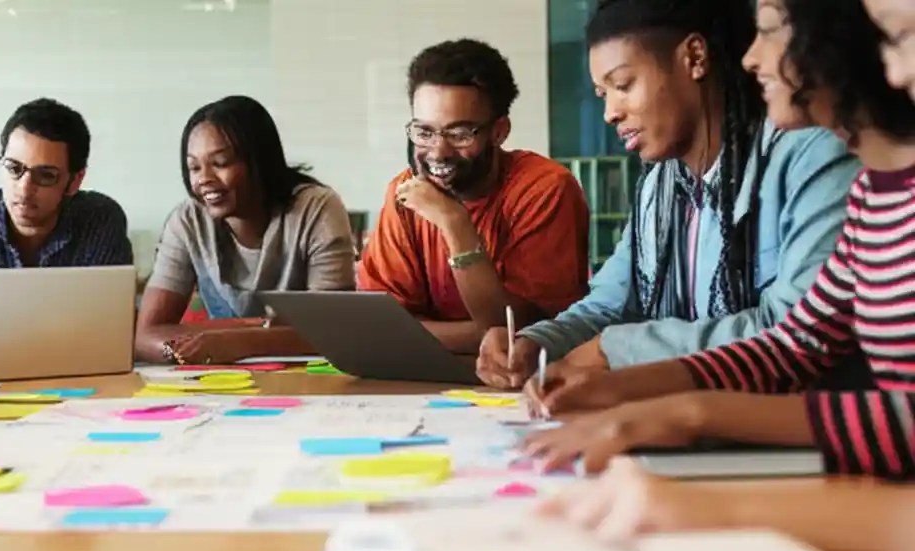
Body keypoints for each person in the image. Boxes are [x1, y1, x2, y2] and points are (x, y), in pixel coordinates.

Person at [524, 0, 915, 482]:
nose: (750, 59)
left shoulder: (824, 162)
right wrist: (628, 389)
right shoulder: (873, 196)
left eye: (770, 30)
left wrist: (685, 412)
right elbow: (792, 346)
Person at [476, 0, 859, 390]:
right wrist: (535, 343)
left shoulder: (809, 155)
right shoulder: (658, 185)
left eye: (623, 85)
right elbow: (609, 305)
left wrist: (617, 351)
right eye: (601, 93)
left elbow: (791, 332)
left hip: (797, 431)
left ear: (694, 57)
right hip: (696, 426)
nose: (610, 112)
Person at [358, 39, 592, 354]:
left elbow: (517, 331)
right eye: (424, 132)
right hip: (419, 375)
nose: (438, 152)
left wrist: (454, 222)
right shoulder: (405, 194)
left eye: (459, 134)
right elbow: (379, 326)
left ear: (499, 131)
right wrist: (479, 335)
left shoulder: (545, 189)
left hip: (525, 378)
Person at [135, 96, 356, 364]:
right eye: (194, 167)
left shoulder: (316, 208)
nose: (204, 179)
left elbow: (335, 332)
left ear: (259, 160)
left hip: (309, 378)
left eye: (221, 163)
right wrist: (180, 352)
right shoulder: (188, 221)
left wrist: (238, 341)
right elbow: (144, 336)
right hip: (224, 383)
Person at [0, 98, 134, 349]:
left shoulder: (100, 220)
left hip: (75, 371)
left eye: (46, 175)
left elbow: (112, 325)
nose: (24, 188)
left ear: (75, 181)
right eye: (14, 168)